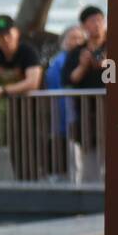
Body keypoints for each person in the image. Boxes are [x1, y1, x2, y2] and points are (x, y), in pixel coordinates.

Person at [0, 15, 43, 181]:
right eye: (0, 35)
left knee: (34, 147)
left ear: (16, 33)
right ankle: (22, 184)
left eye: (8, 34)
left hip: (37, 108)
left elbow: (33, 82)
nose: (5, 39)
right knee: (17, 148)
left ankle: (37, 184)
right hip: (15, 109)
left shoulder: (28, 51)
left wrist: (2, 91)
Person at [64, 5, 107, 183]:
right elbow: (69, 79)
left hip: (109, 111)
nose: (97, 24)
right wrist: (83, 66)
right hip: (86, 114)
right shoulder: (77, 52)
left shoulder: (115, 45)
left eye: (99, 19)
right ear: (84, 26)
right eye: (92, 21)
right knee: (89, 156)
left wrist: (105, 65)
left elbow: (116, 79)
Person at [44, 24, 87, 179]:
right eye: (72, 38)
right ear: (64, 40)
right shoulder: (58, 61)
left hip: (75, 113)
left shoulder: (79, 60)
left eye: (79, 38)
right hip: (60, 112)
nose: (76, 42)